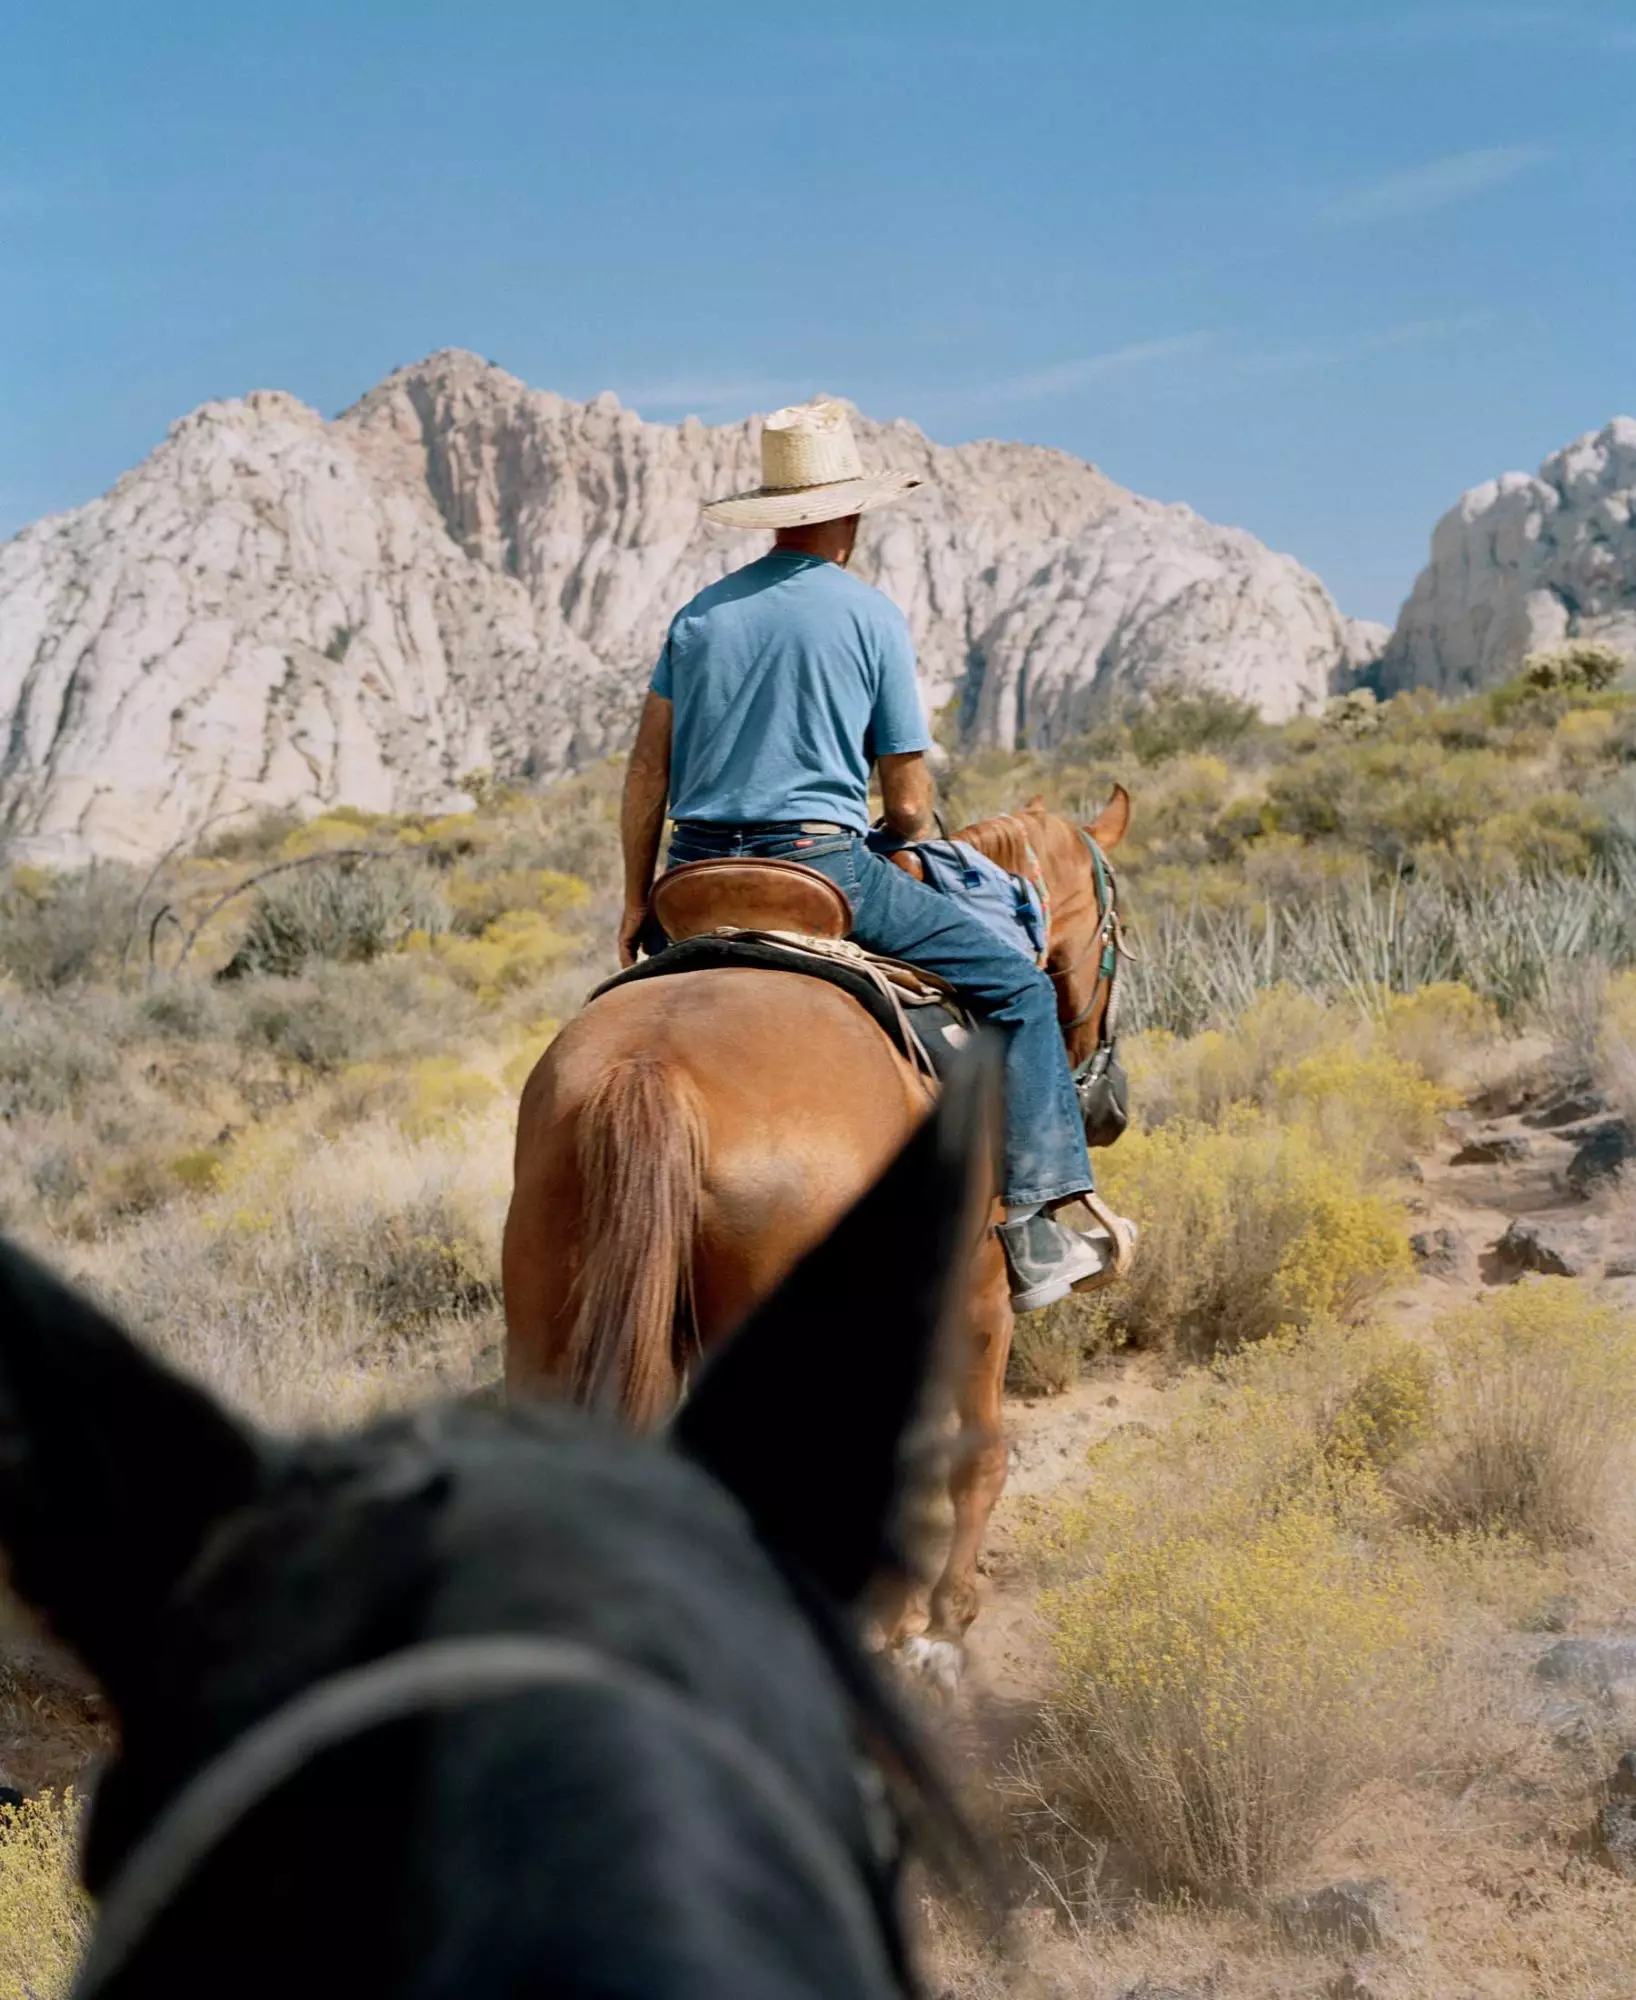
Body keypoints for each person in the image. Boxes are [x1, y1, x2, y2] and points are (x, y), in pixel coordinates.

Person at [616, 397, 1129, 1312]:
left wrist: (633, 899)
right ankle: (1036, 1224)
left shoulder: (696, 619)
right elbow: (909, 800)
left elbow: (646, 774)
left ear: (775, 514)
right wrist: (906, 844)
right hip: (822, 870)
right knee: (1016, 986)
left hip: (689, 882)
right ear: (850, 513)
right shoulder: (870, 615)